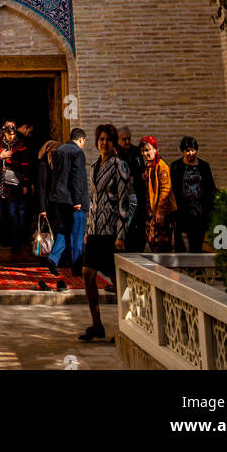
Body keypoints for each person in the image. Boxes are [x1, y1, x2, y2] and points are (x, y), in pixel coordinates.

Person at [80, 123, 130, 342]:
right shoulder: (93, 166)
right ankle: (96, 324)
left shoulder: (120, 165)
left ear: (114, 142)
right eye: (101, 139)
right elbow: (92, 201)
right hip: (95, 230)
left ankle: (126, 327)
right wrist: (88, 228)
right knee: (87, 274)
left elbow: (125, 201)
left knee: (116, 279)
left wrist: (121, 234)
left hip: (111, 231)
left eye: (108, 139)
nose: (104, 143)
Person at [43, 127, 88, 280]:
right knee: (77, 235)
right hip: (73, 201)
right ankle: (77, 268)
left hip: (59, 199)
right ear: (81, 139)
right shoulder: (77, 152)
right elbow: (77, 177)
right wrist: (77, 200)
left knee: (63, 230)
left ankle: (53, 258)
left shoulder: (59, 150)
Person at [0, 120, 33, 254]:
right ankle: (5, 240)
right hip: (0, 185)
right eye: (9, 135)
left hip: (14, 186)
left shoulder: (20, 145)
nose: (12, 137)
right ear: (5, 134)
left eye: (13, 135)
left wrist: (25, 184)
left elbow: (25, 166)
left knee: (14, 215)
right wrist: (0, 156)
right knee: (1, 215)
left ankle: (16, 245)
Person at [171, 137, 217, 252]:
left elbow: (210, 187)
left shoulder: (204, 166)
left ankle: (196, 262)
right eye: (187, 150)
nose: (190, 153)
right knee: (180, 244)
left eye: (193, 150)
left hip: (199, 211)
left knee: (196, 243)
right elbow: (173, 188)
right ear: (183, 151)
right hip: (182, 210)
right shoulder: (176, 166)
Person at [139, 135, 177, 252]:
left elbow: (165, 190)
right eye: (143, 151)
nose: (145, 153)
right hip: (150, 212)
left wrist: (160, 212)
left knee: (161, 245)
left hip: (161, 213)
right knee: (152, 243)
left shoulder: (161, 166)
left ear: (155, 149)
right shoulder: (148, 166)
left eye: (147, 150)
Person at [117, 126, 146, 252]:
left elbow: (140, 170)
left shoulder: (136, 151)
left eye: (129, 139)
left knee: (138, 231)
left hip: (137, 195)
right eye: (124, 139)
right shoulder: (115, 153)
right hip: (121, 199)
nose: (127, 142)